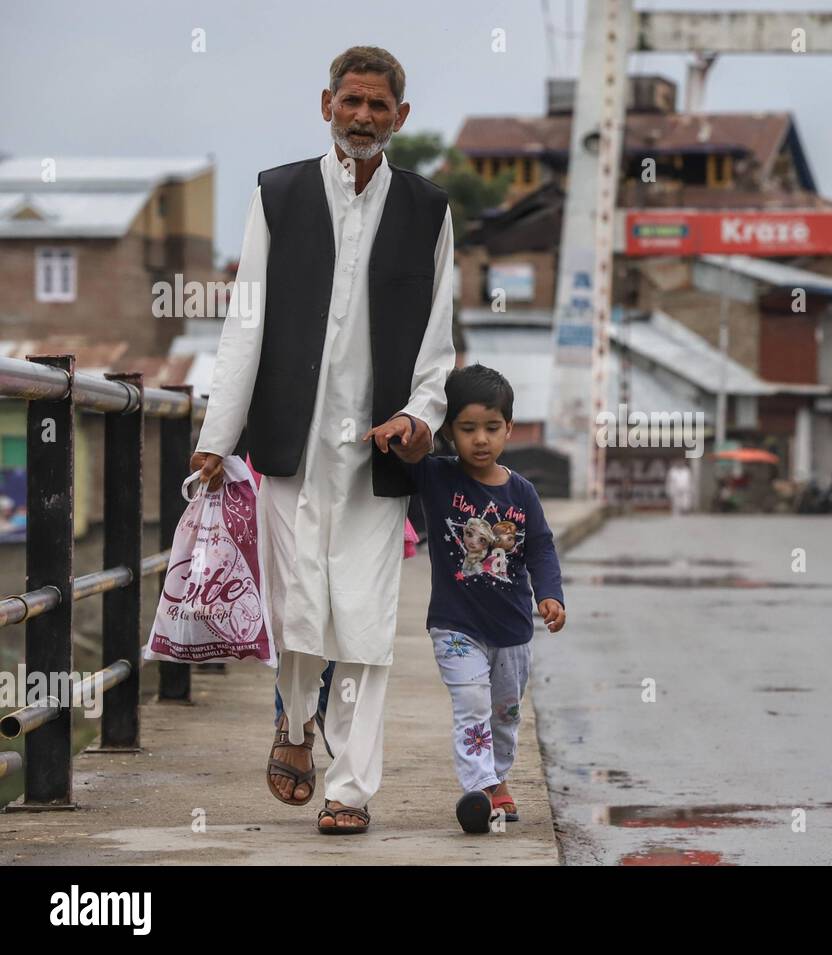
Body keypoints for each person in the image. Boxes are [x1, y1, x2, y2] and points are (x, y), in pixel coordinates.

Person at [189, 46, 456, 834]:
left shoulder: (429, 208)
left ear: (400, 117)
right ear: (326, 105)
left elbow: (438, 343)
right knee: (298, 604)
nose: (364, 117)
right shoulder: (279, 194)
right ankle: (298, 725)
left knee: (367, 619)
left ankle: (350, 788)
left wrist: (421, 418)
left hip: (380, 451)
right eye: (352, 102)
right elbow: (246, 320)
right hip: (289, 441)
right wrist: (216, 434)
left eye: (379, 105)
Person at [371, 364, 565, 834]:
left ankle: (498, 774)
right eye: (468, 428)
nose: (481, 439)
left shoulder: (523, 493)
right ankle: (481, 787)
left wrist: (551, 596)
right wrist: (401, 426)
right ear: (448, 431)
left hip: (514, 630)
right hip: (456, 626)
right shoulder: (438, 478)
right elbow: (402, 456)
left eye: (492, 428)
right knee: (472, 704)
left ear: (509, 429)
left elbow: (540, 547)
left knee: (505, 711)